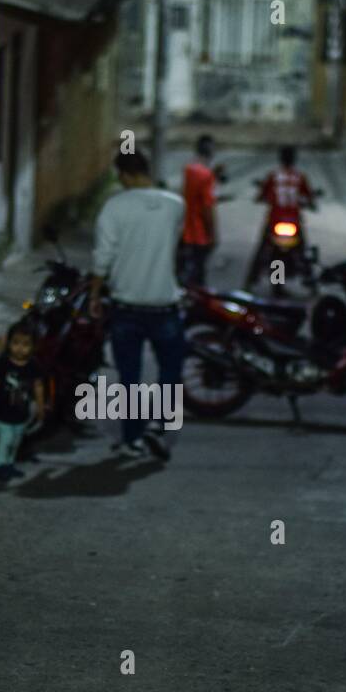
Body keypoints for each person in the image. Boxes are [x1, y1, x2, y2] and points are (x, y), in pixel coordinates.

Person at [88, 148, 185, 461]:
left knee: (130, 377)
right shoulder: (175, 205)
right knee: (170, 370)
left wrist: (94, 294)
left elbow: (103, 256)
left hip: (126, 305)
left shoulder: (114, 207)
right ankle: (158, 424)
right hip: (164, 303)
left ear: (124, 175)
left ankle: (133, 439)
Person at [244, 145, 316, 291]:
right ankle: (310, 280)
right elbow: (309, 197)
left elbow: (261, 196)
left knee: (262, 249)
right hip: (294, 221)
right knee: (303, 250)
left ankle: (250, 281)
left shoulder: (274, 175)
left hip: (275, 221)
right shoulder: (300, 177)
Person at [0, 323, 45, 482]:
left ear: (33, 346)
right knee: (6, 439)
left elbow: (38, 386)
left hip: (21, 413)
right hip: (2, 412)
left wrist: (40, 406)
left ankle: (9, 464)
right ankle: (0, 466)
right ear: (9, 343)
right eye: (15, 343)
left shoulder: (33, 365)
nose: (19, 348)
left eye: (25, 344)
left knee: (16, 441)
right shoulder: (3, 363)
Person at [178, 135, 221, 287]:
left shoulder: (188, 170)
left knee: (184, 272)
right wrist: (213, 234)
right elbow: (207, 208)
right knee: (199, 277)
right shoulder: (207, 175)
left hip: (185, 231)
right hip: (199, 234)